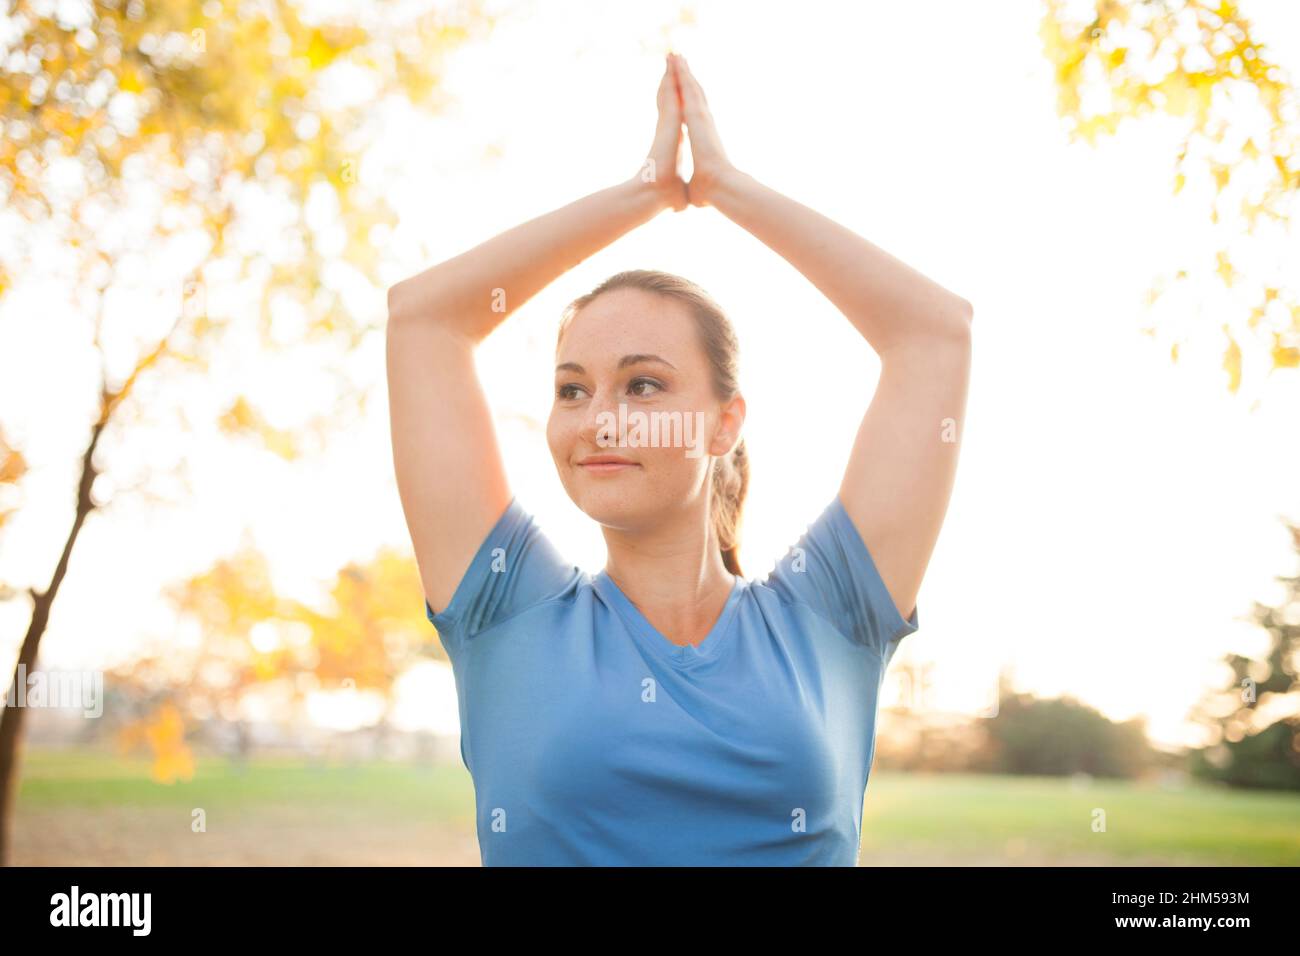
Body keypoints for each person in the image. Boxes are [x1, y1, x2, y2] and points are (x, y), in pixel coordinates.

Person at [386, 53, 972, 865]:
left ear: (724, 423)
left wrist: (727, 187)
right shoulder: (507, 607)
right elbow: (423, 321)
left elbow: (934, 333)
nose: (599, 421)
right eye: (572, 389)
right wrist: (645, 192)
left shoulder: (828, 611)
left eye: (644, 386)